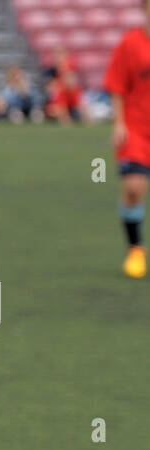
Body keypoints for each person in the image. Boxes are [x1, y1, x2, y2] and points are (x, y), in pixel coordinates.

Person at [105, 0, 150, 279]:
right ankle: (135, 249)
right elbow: (117, 86)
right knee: (133, 188)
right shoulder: (130, 44)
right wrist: (119, 123)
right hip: (136, 128)